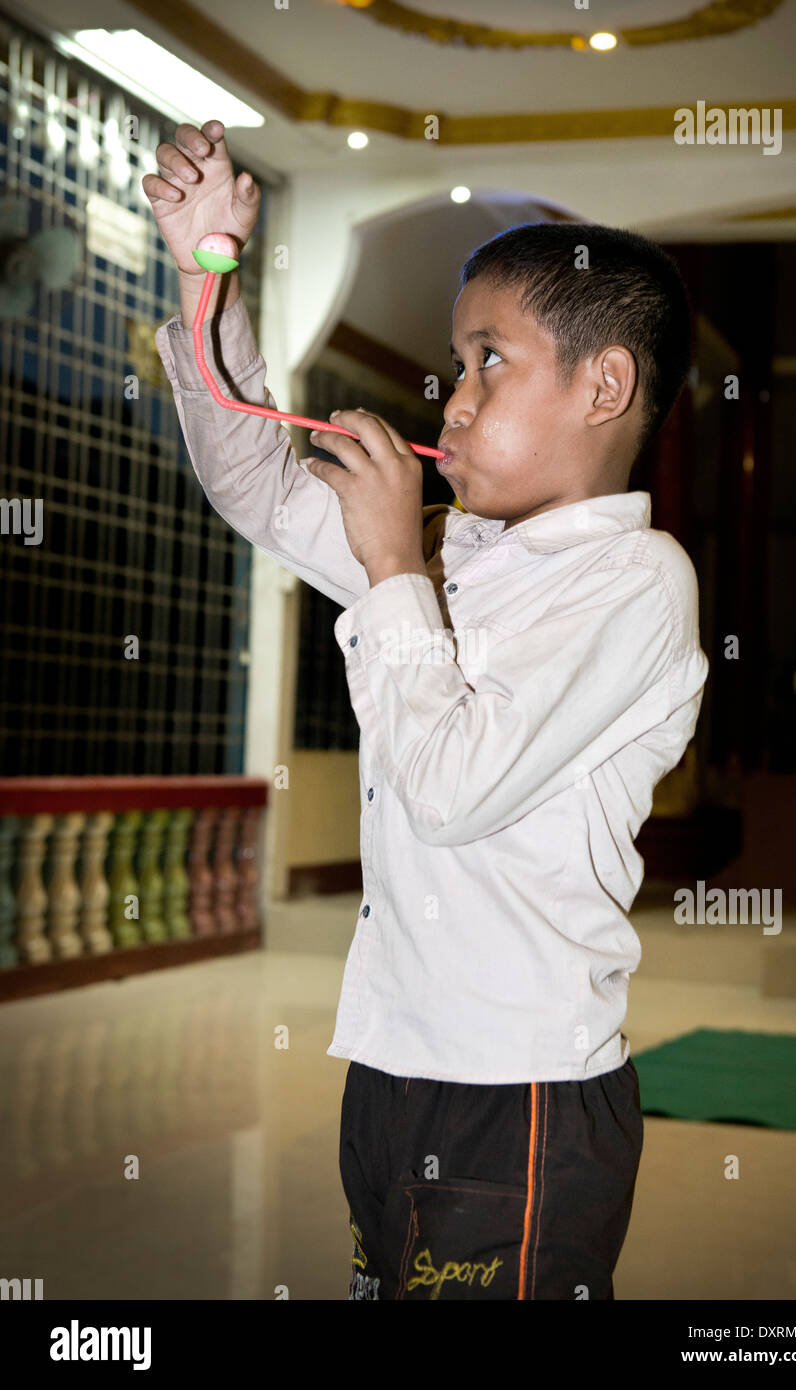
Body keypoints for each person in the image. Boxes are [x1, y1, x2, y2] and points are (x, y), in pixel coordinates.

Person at [143, 119, 709, 1301]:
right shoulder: (451, 552)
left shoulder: (636, 578)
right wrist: (206, 277)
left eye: (488, 359)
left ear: (603, 385)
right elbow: (253, 480)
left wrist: (396, 562)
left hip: (525, 1091)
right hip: (393, 1063)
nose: (449, 398)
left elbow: (449, 789)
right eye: (455, 363)